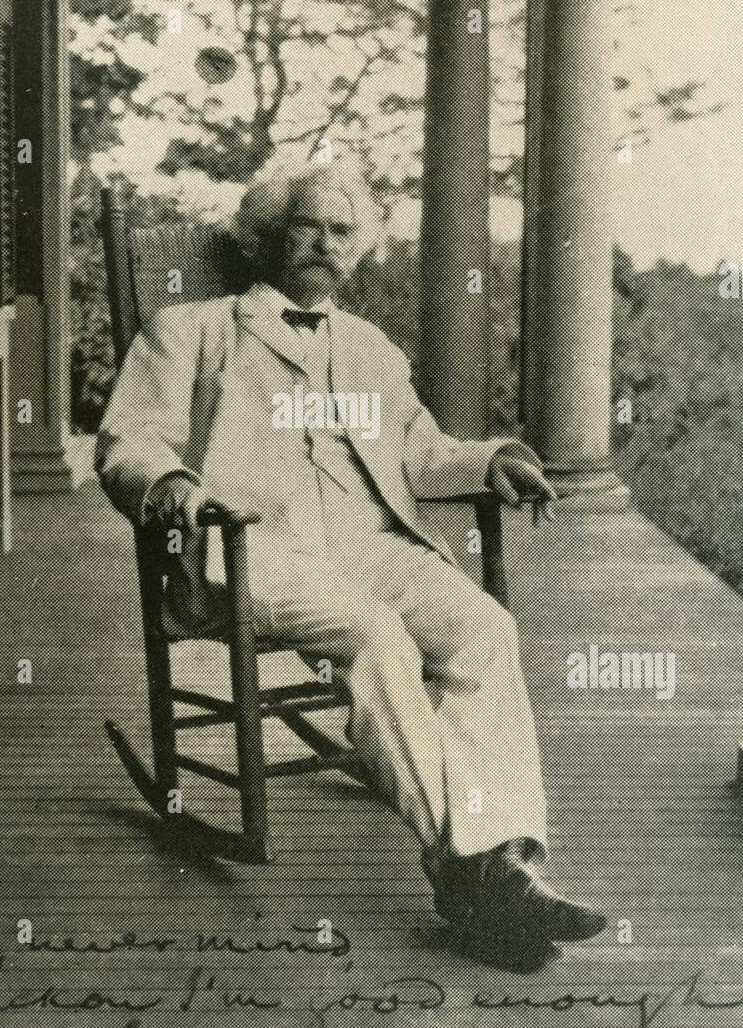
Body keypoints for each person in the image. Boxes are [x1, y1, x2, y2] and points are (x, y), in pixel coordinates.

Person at [96, 163, 606, 972]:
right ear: (267, 235)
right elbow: (128, 440)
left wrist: (494, 459)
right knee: (376, 638)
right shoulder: (189, 329)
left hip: (370, 543)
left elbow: (422, 454)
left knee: (483, 627)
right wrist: (172, 484)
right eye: (307, 226)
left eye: (341, 232)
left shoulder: (368, 346)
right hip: (254, 547)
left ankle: (495, 859)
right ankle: (476, 868)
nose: (324, 244)